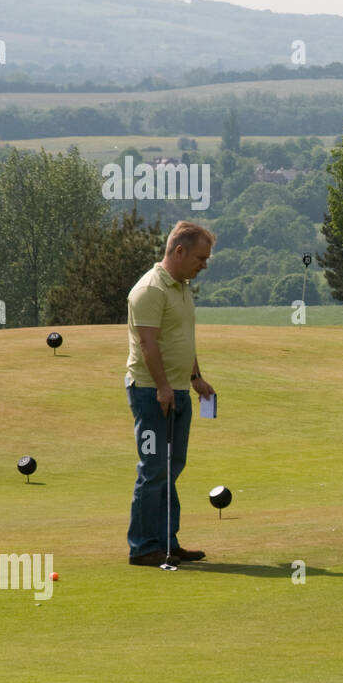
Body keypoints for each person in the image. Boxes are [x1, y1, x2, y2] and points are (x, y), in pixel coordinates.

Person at [124, 221, 216, 565]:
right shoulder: (150, 290)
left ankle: (167, 541)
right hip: (151, 393)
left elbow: (181, 338)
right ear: (179, 251)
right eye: (200, 258)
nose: (203, 265)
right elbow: (148, 345)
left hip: (175, 390)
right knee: (153, 468)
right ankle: (144, 546)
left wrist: (195, 377)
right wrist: (163, 386)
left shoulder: (181, 287)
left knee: (172, 466)